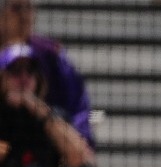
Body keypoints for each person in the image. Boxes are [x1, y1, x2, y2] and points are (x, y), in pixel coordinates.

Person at [0, 0, 93, 152]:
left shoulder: (51, 56)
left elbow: (77, 110)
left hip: (43, 150)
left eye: (29, 8)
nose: (24, 16)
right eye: (16, 8)